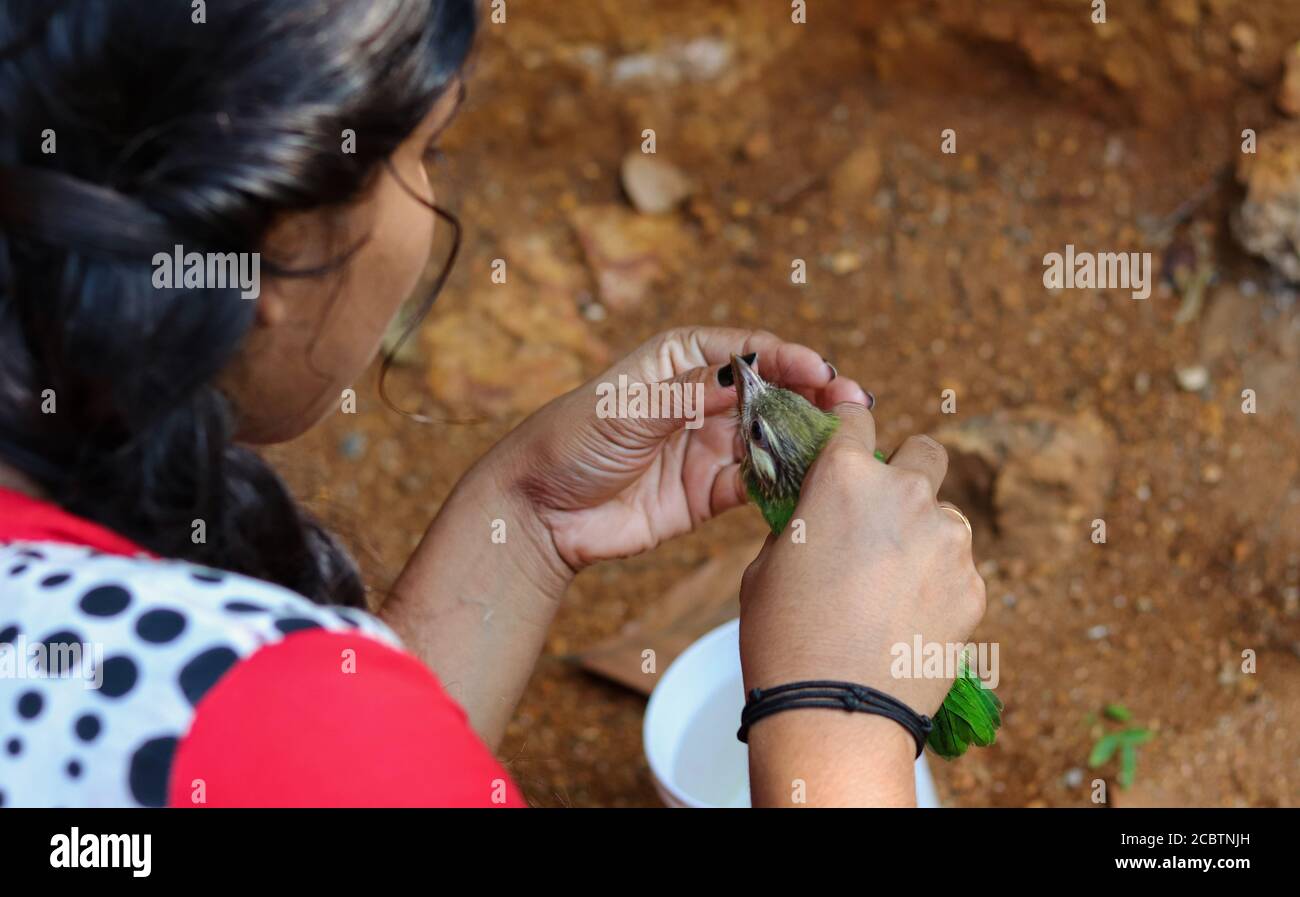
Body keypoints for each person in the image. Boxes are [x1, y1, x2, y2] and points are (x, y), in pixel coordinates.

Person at [0, 0, 984, 808]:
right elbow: (310, 758)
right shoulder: (250, 715)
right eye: (429, 151)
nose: (430, 208)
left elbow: (358, 772)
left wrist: (529, 516)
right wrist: (838, 721)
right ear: (278, 246)